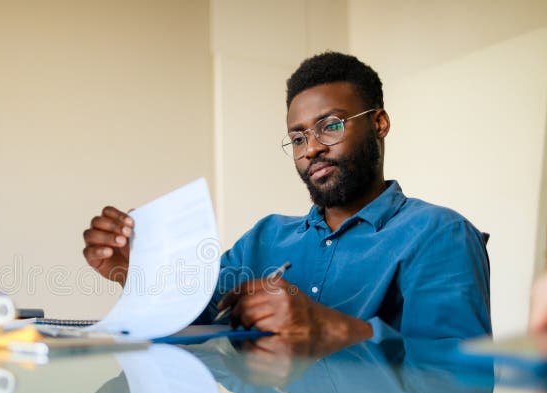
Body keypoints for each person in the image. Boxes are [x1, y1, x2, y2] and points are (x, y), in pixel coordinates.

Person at [82, 51, 491, 348]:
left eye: (329, 126)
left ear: (379, 123)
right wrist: (134, 272)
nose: (311, 148)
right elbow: (188, 318)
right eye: (298, 137)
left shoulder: (439, 234)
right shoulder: (265, 239)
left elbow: (459, 377)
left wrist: (330, 327)